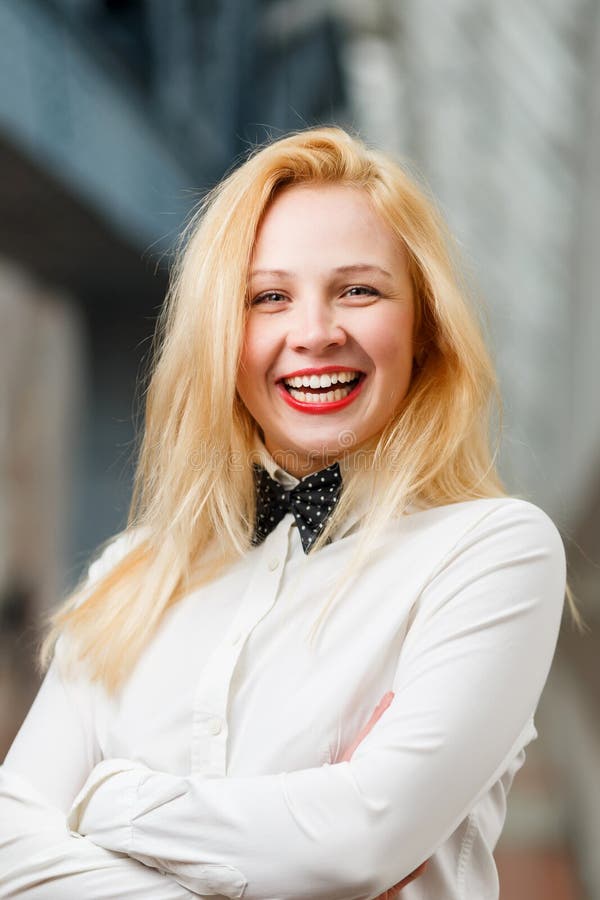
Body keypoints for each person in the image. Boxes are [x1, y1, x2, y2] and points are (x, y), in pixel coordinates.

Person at [0, 126, 568, 899]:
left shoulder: (492, 553)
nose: (313, 334)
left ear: (425, 327)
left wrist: (106, 800)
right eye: (269, 297)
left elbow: (358, 844)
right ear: (219, 337)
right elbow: (9, 851)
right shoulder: (130, 573)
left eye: (358, 290)